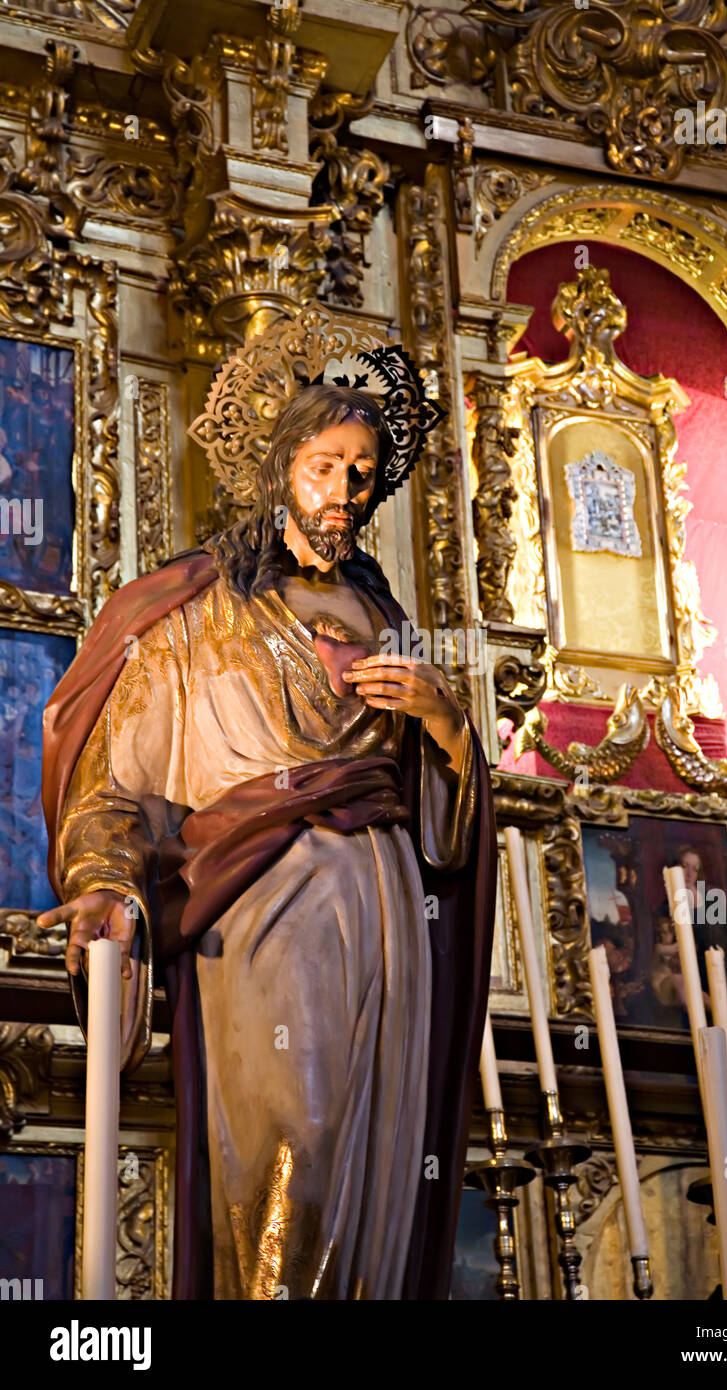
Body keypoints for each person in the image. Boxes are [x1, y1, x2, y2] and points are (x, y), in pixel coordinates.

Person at [39, 363, 497, 1301]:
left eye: (363, 472)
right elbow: (114, 785)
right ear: (282, 465)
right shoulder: (198, 610)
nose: (344, 492)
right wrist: (106, 883)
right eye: (324, 465)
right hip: (265, 912)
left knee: (378, 1162)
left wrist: (449, 731)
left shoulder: (387, 620)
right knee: (296, 1139)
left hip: (387, 917)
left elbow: (444, 842)